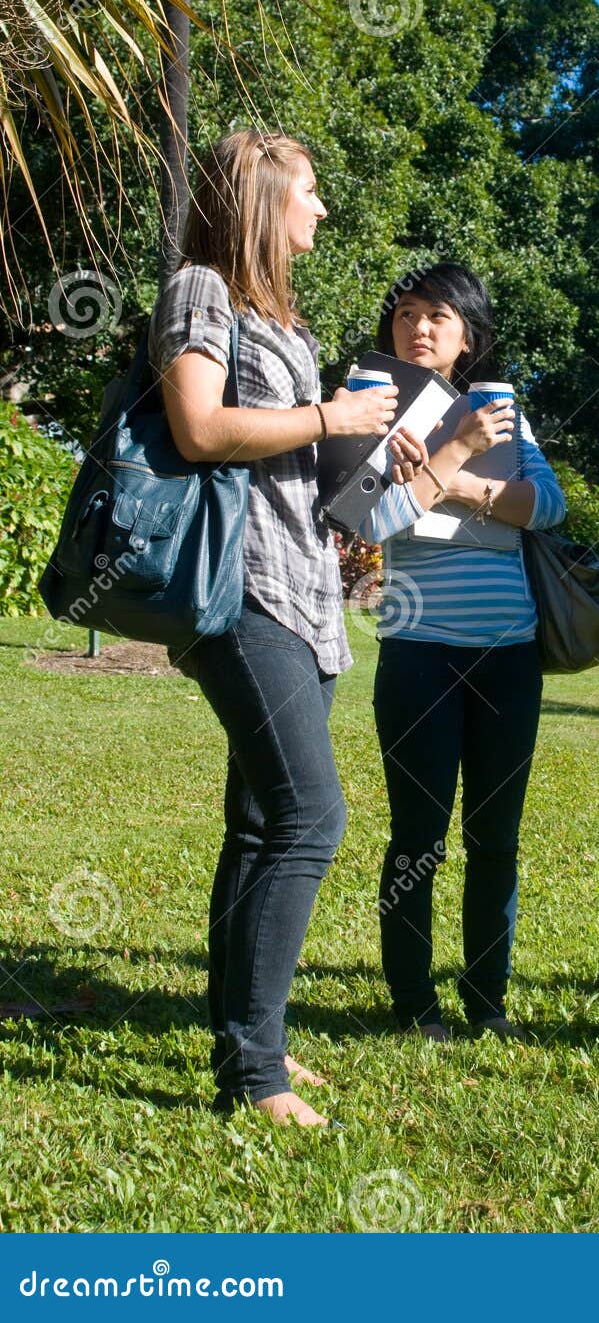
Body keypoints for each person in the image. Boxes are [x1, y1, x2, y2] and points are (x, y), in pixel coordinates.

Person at [148, 129, 398, 1126]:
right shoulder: (199, 292)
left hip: (305, 592)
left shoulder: (275, 317)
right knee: (310, 816)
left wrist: (377, 440)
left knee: (259, 824)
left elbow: (309, 472)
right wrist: (330, 418)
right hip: (240, 590)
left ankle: (256, 1039)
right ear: (261, 198)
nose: (322, 211)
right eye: (311, 190)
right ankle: (256, 1078)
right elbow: (200, 428)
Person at [359, 262, 566, 1042]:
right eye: (406, 313)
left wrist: (461, 475)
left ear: (467, 336)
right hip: (417, 653)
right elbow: (367, 522)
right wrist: (448, 457)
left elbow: (546, 505)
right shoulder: (372, 414)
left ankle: (488, 1003)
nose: (417, 327)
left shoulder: (500, 412)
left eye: (437, 317)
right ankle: (412, 1004)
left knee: (496, 836)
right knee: (417, 837)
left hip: (507, 656)